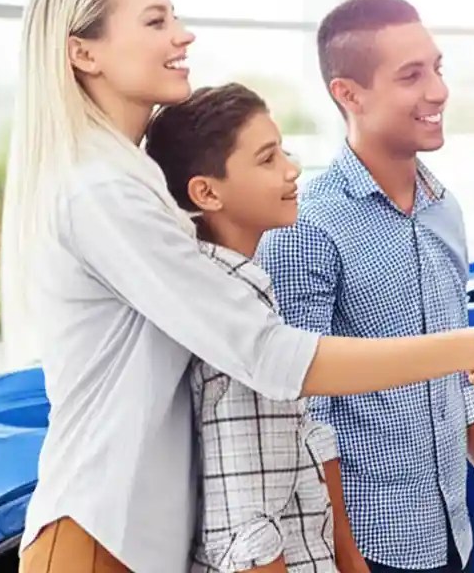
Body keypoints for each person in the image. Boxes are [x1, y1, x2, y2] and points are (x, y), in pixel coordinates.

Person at [0, 0, 474, 573]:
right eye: (156, 21)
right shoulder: (101, 191)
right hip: (100, 534)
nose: (181, 35)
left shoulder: (129, 179)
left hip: (131, 535)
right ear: (84, 53)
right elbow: (270, 359)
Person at [258, 0, 474, 573]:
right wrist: (343, 554)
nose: (438, 91)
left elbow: (459, 374)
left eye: (437, 69)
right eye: (412, 75)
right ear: (349, 93)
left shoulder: (444, 209)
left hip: (447, 533)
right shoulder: (304, 226)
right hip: (368, 544)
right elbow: (302, 411)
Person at [143, 82, 358, 573]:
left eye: (283, 149)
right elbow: (246, 526)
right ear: (206, 191)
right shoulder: (233, 303)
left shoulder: (225, 286)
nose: (292, 168)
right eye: (267, 159)